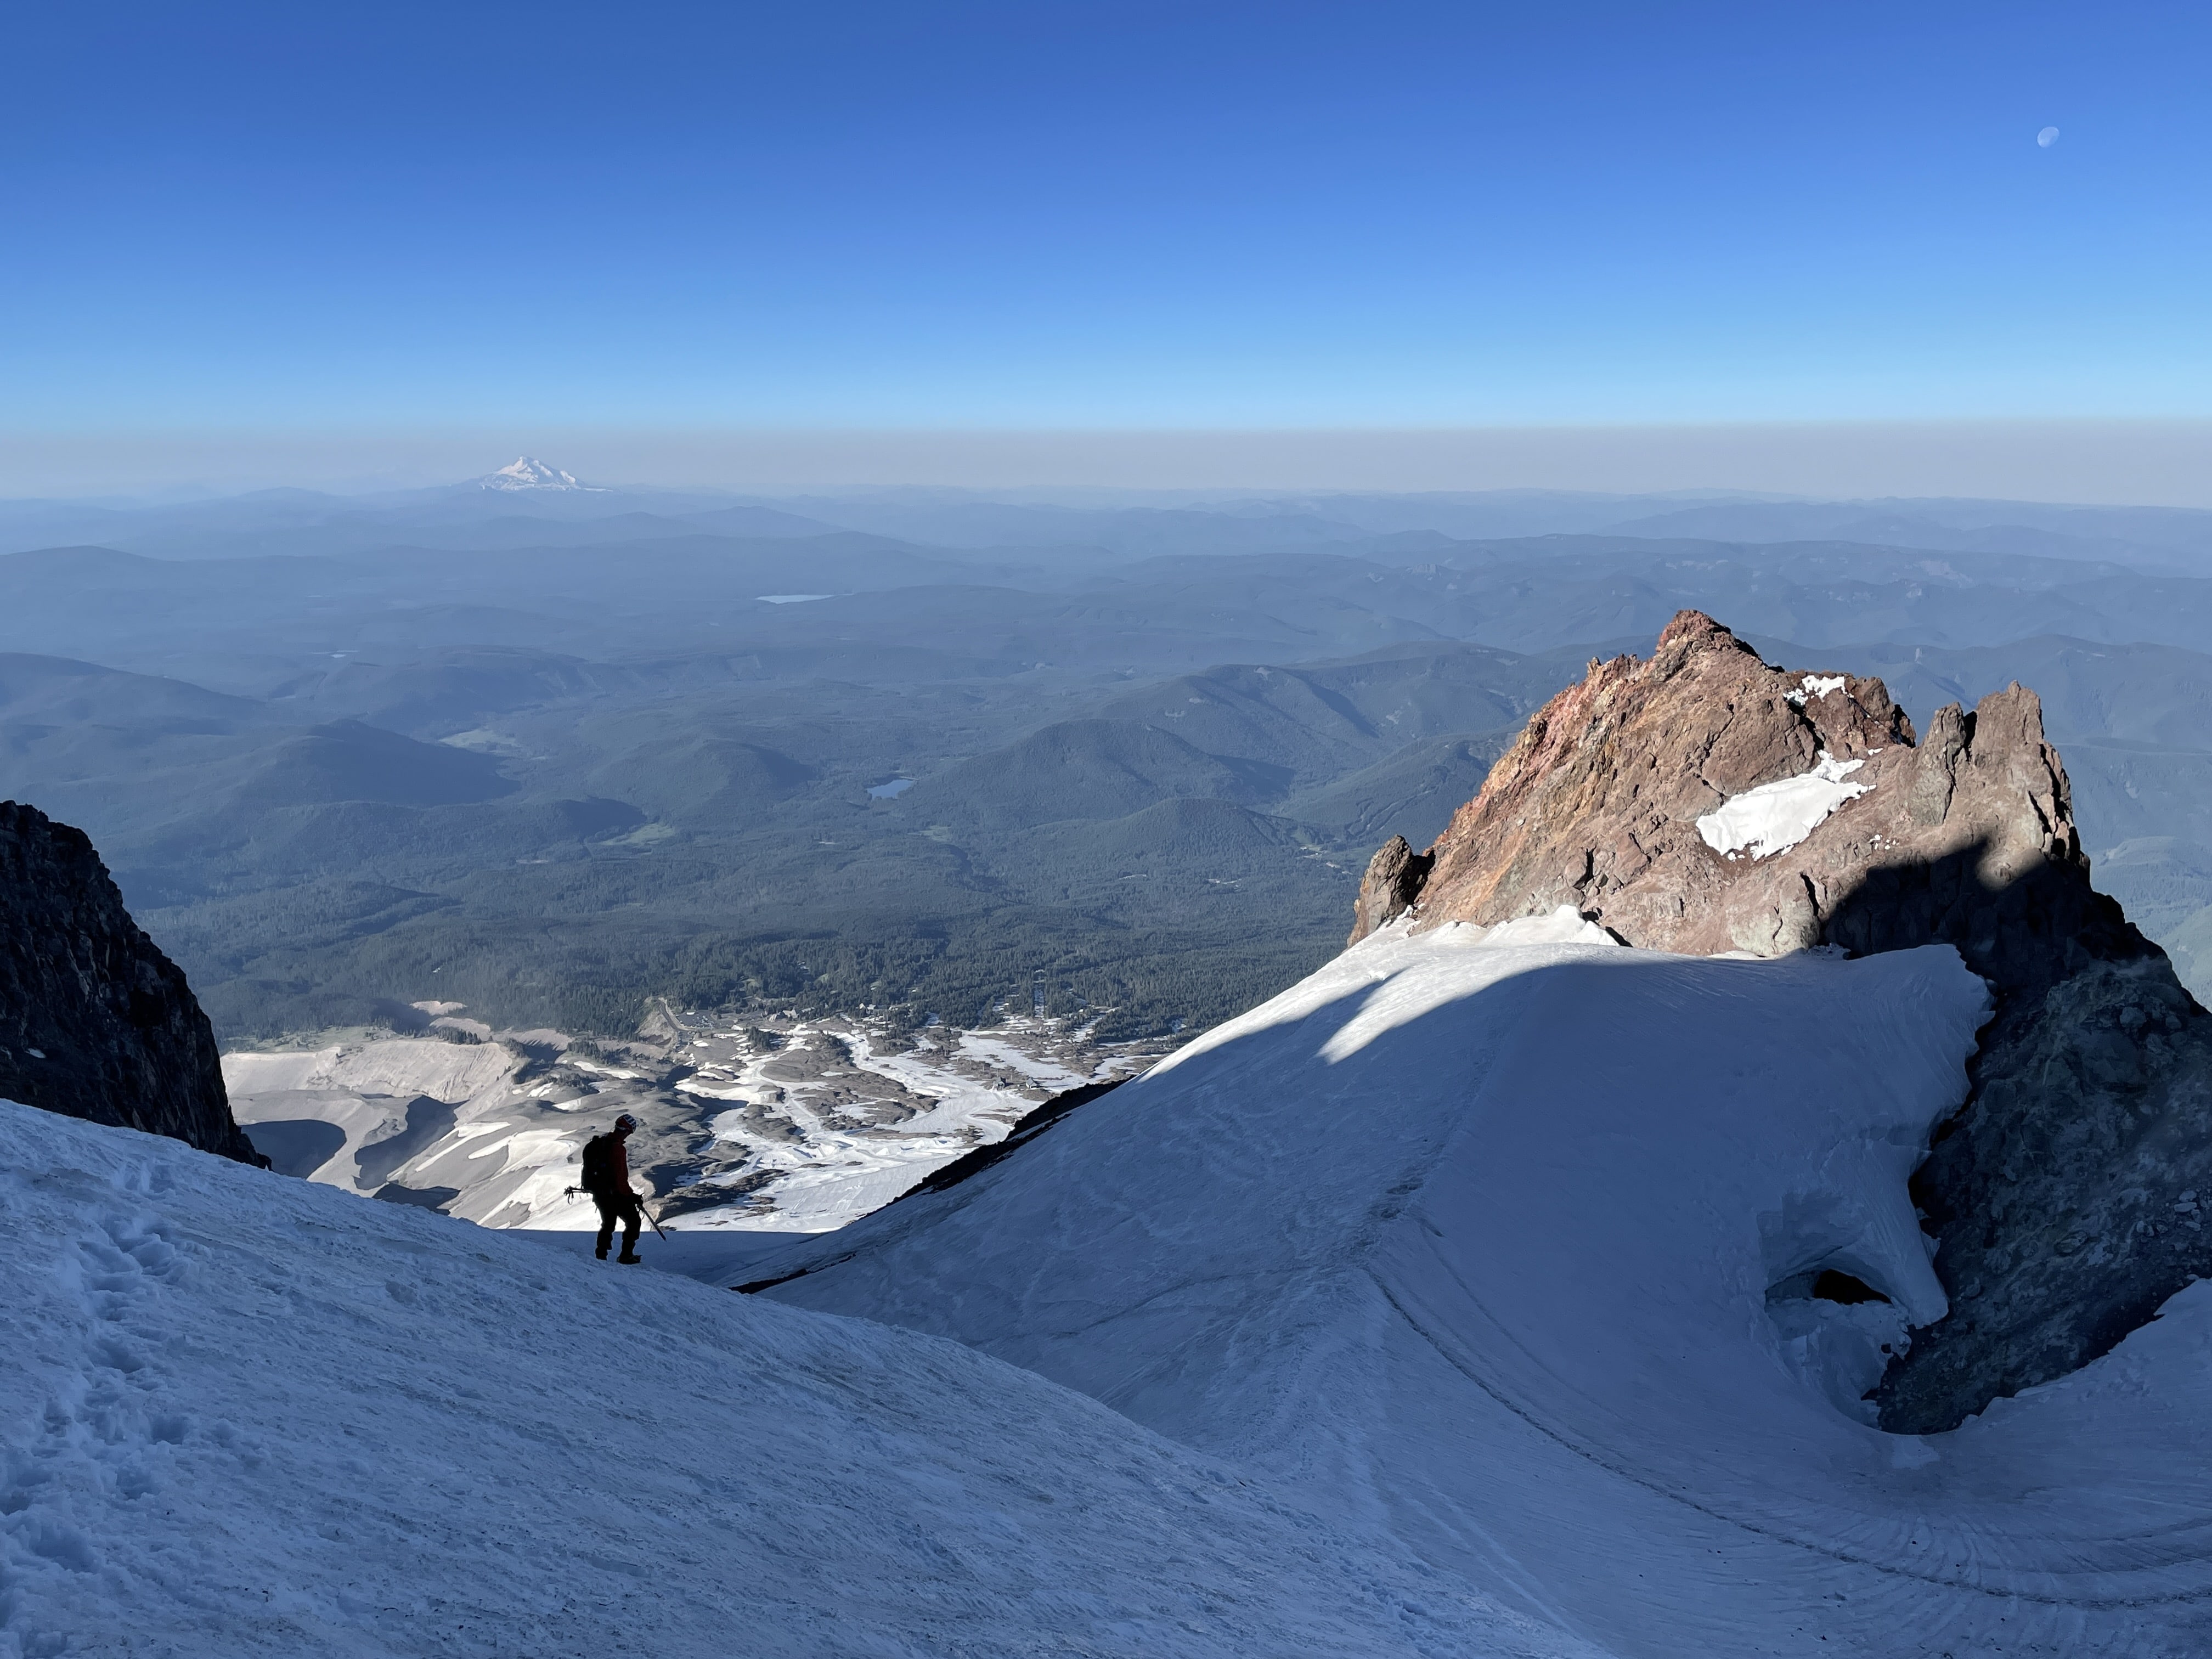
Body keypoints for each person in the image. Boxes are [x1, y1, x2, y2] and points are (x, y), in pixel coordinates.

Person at [580, 1113, 645, 1263]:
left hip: (599, 1193)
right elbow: (620, 1178)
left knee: (608, 1224)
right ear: (627, 1131)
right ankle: (626, 1255)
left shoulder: (600, 1145)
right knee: (634, 1222)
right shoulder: (618, 1149)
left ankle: (601, 1256)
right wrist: (631, 1196)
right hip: (616, 1195)